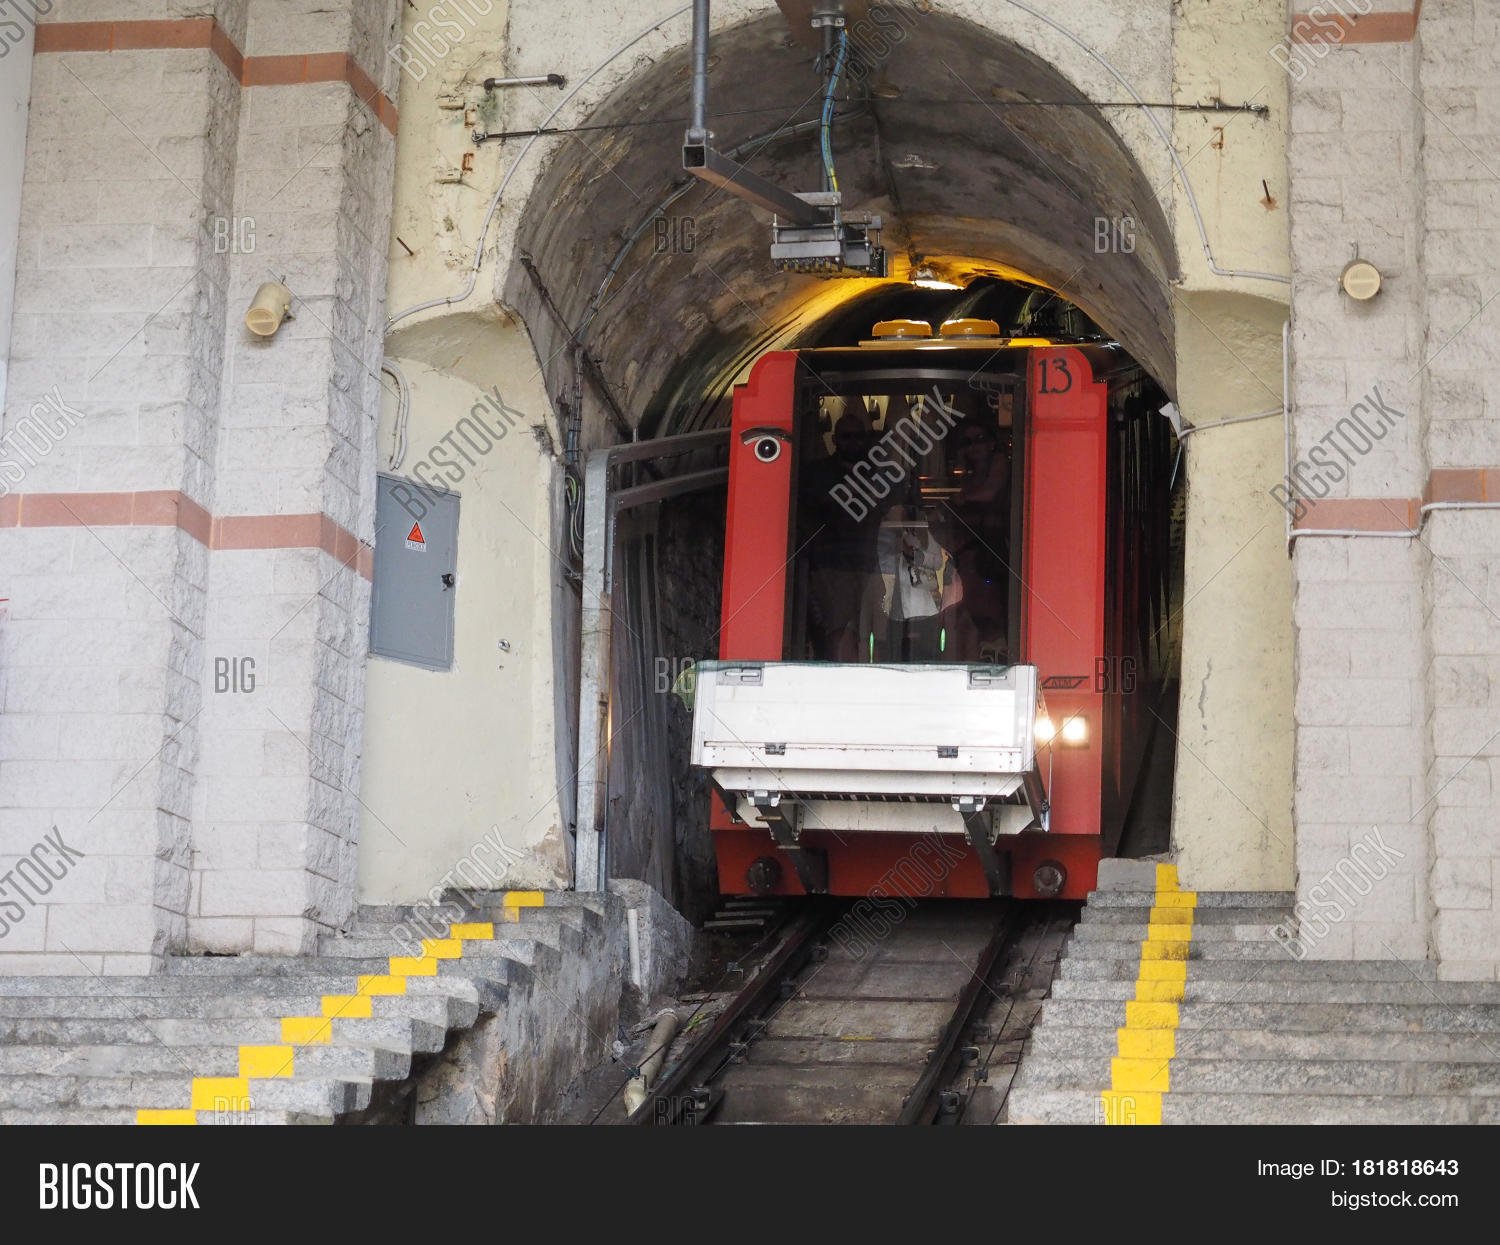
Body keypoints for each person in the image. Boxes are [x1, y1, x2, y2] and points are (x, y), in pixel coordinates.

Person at [799, 409, 896, 661]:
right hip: (833, 563)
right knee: (838, 626)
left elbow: (898, 499)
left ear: (867, 439)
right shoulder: (818, 473)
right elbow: (808, 509)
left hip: (871, 562)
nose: (852, 442)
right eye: (846, 436)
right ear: (835, 439)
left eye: (858, 436)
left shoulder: (880, 472)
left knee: (874, 628)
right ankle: (838, 679)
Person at [936, 416, 1011, 661]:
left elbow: (986, 496)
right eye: (967, 442)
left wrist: (961, 498)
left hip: (991, 555)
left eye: (980, 439)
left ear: (992, 443)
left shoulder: (999, 463)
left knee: (987, 620)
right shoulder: (968, 475)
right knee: (969, 620)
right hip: (972, 556)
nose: (974, 446)